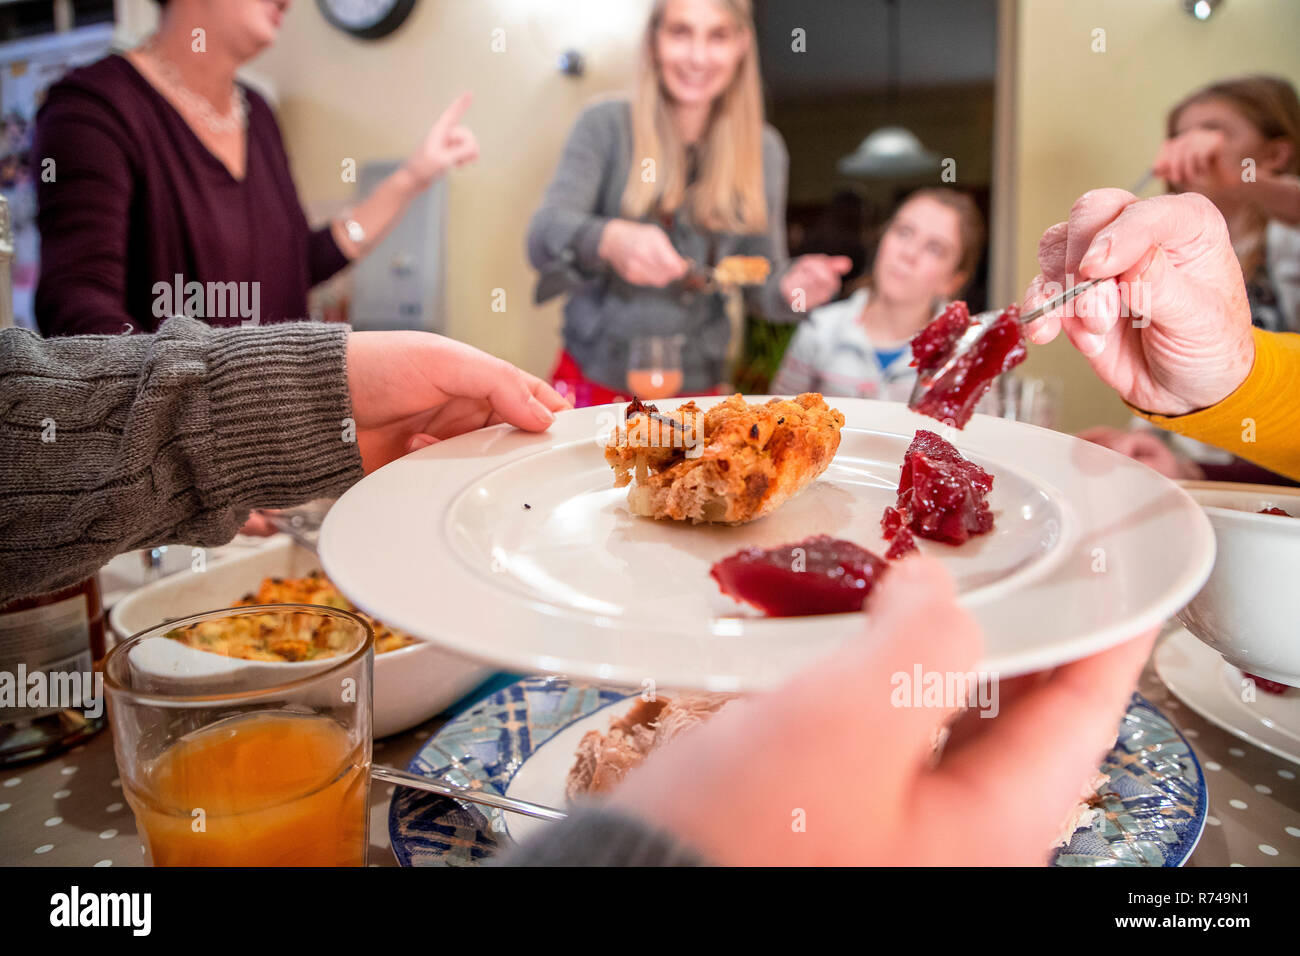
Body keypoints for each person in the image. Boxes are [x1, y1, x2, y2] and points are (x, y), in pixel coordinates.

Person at [32, 0, 479, 335]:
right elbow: (76, 309)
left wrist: (412, 177)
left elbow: (298, 262)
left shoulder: (259, 115)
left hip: (285, 439)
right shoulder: (93, 111)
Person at [526, 0, 850, 406]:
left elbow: (760, 281)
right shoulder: (604, 126)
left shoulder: (764, 150)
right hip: (593, 380)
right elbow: (543, 237)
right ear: (654, 40)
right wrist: (609, 239)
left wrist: (792, 288)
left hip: (697, 389)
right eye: (680, 32)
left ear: (741, 45)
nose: (698, 57)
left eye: (716, 35)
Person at [1076, 75, 1300, 483]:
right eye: (1180, 135)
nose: (1190, 146)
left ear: (1276, 154)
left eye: (1214, 131)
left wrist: (1242, 175)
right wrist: (1151, 450)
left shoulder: (1286, 237)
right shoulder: (1164, 257)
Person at [771, 189, 985, 400]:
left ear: (953, 280)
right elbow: (777, 420)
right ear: (882, 238)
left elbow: (978, 434)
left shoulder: (968, 355)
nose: (908, 254)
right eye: (904, 232)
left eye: (935, 248)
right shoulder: (819, 330)